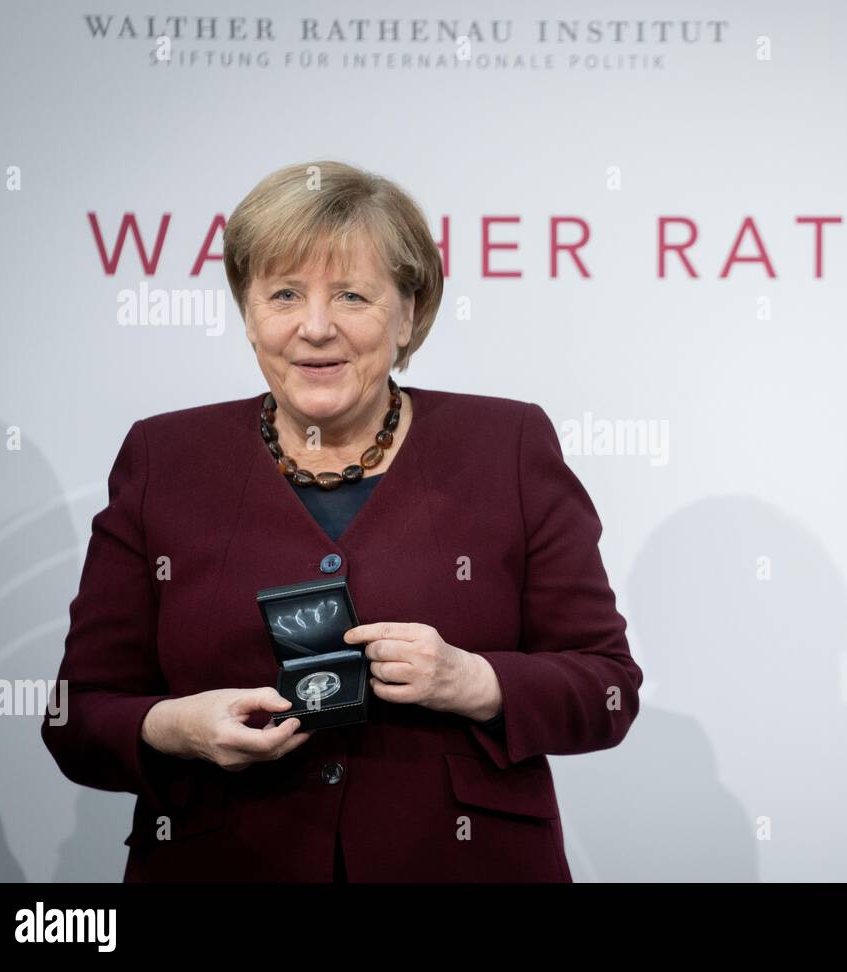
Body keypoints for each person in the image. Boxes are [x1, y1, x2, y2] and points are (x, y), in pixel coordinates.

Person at [41, 160, 642, 882]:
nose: (315, 327)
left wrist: (473, 679)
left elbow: (607, 688)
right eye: (284, 294)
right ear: (248, 311)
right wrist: (176, 728)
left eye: (352, 296)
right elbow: (76, 716)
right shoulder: (162, 457)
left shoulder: (507, 445)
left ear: (408, 313)